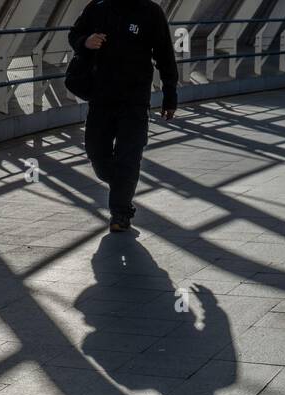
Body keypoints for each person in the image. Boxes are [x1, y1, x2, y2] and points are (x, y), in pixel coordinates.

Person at [68, 0, 180, 233]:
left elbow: (164, 53)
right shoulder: (98, 8)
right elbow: (75, 34)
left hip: (135, 100)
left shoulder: (150, 12)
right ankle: (122, 186)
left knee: (129, 156)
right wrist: (85, 42)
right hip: (100, 98)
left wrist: (170, 93)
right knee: (96, 153)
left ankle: (120, 213)